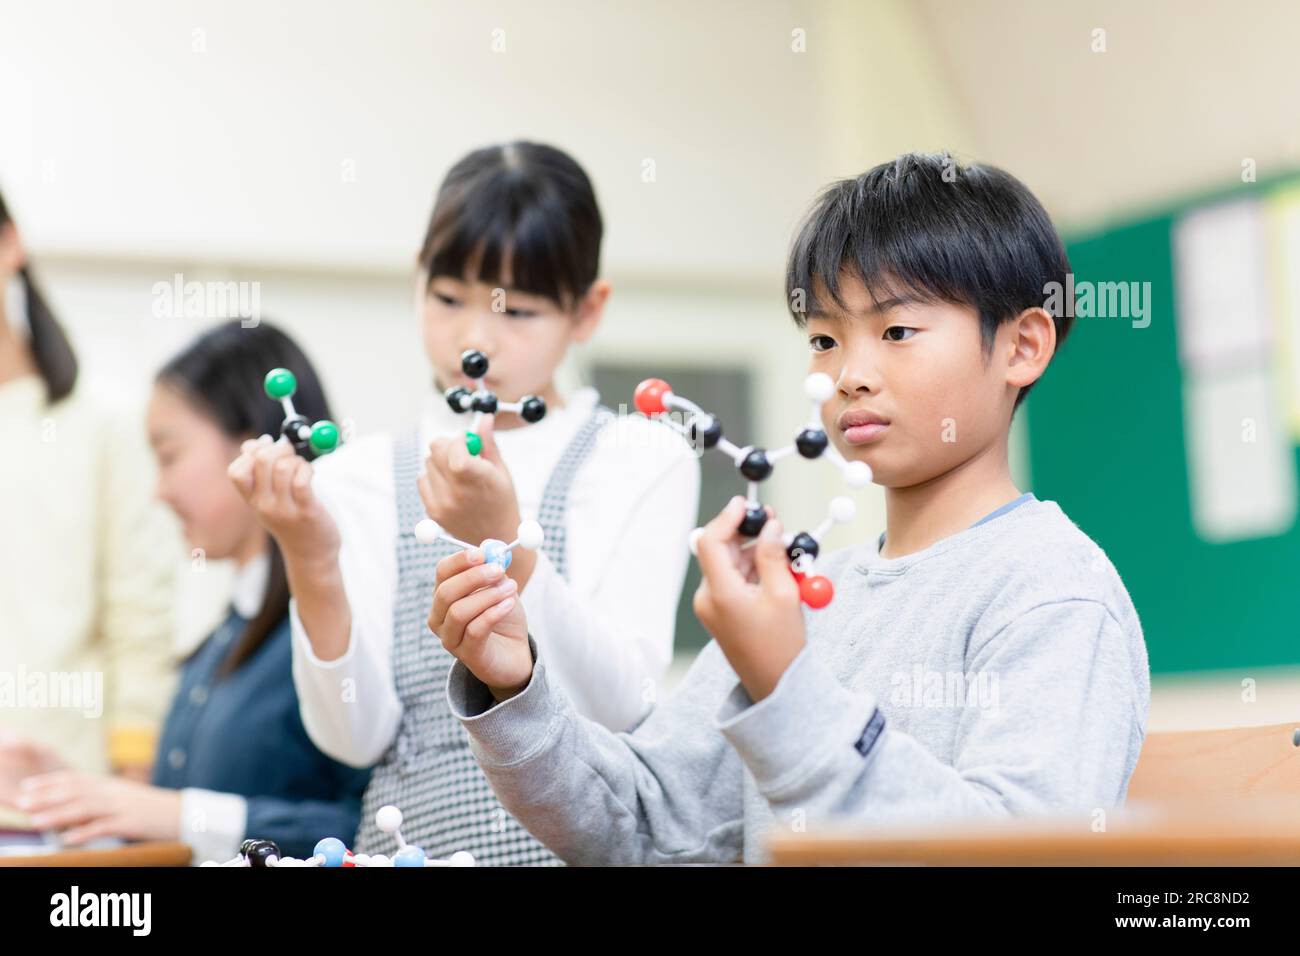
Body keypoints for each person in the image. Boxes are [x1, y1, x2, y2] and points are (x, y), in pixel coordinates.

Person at [432, 152, 1151, 864]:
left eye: (896, 332)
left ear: (1023, 345)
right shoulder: (802, 594)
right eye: (824, 340)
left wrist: (786, 684)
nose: (849, 376)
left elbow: (1027, 854)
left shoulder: (1054, 592)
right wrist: (516, 685)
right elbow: (646, 829)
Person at [229, 142, 700, 865]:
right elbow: (352, 737)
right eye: (449, 298)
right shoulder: (356, 474)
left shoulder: (640, 456)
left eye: (522, 310)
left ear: (588, 310)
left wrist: (506, 540)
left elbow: (624, 704)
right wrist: (309, 557)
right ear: (419, 278)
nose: (475, 339)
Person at [14, 321, 371, 862]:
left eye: (169, 455)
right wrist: (68, 791)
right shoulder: (219, 647)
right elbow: (182, 824)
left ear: (254, 442)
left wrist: (180, 813)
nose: (159, 491)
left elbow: (367, 824)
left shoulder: (330, 635)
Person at [0, 188, 175, 795]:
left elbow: (140, 620)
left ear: (10, 243)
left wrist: (132, 790)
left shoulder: (103, 422)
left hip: (63, 806)